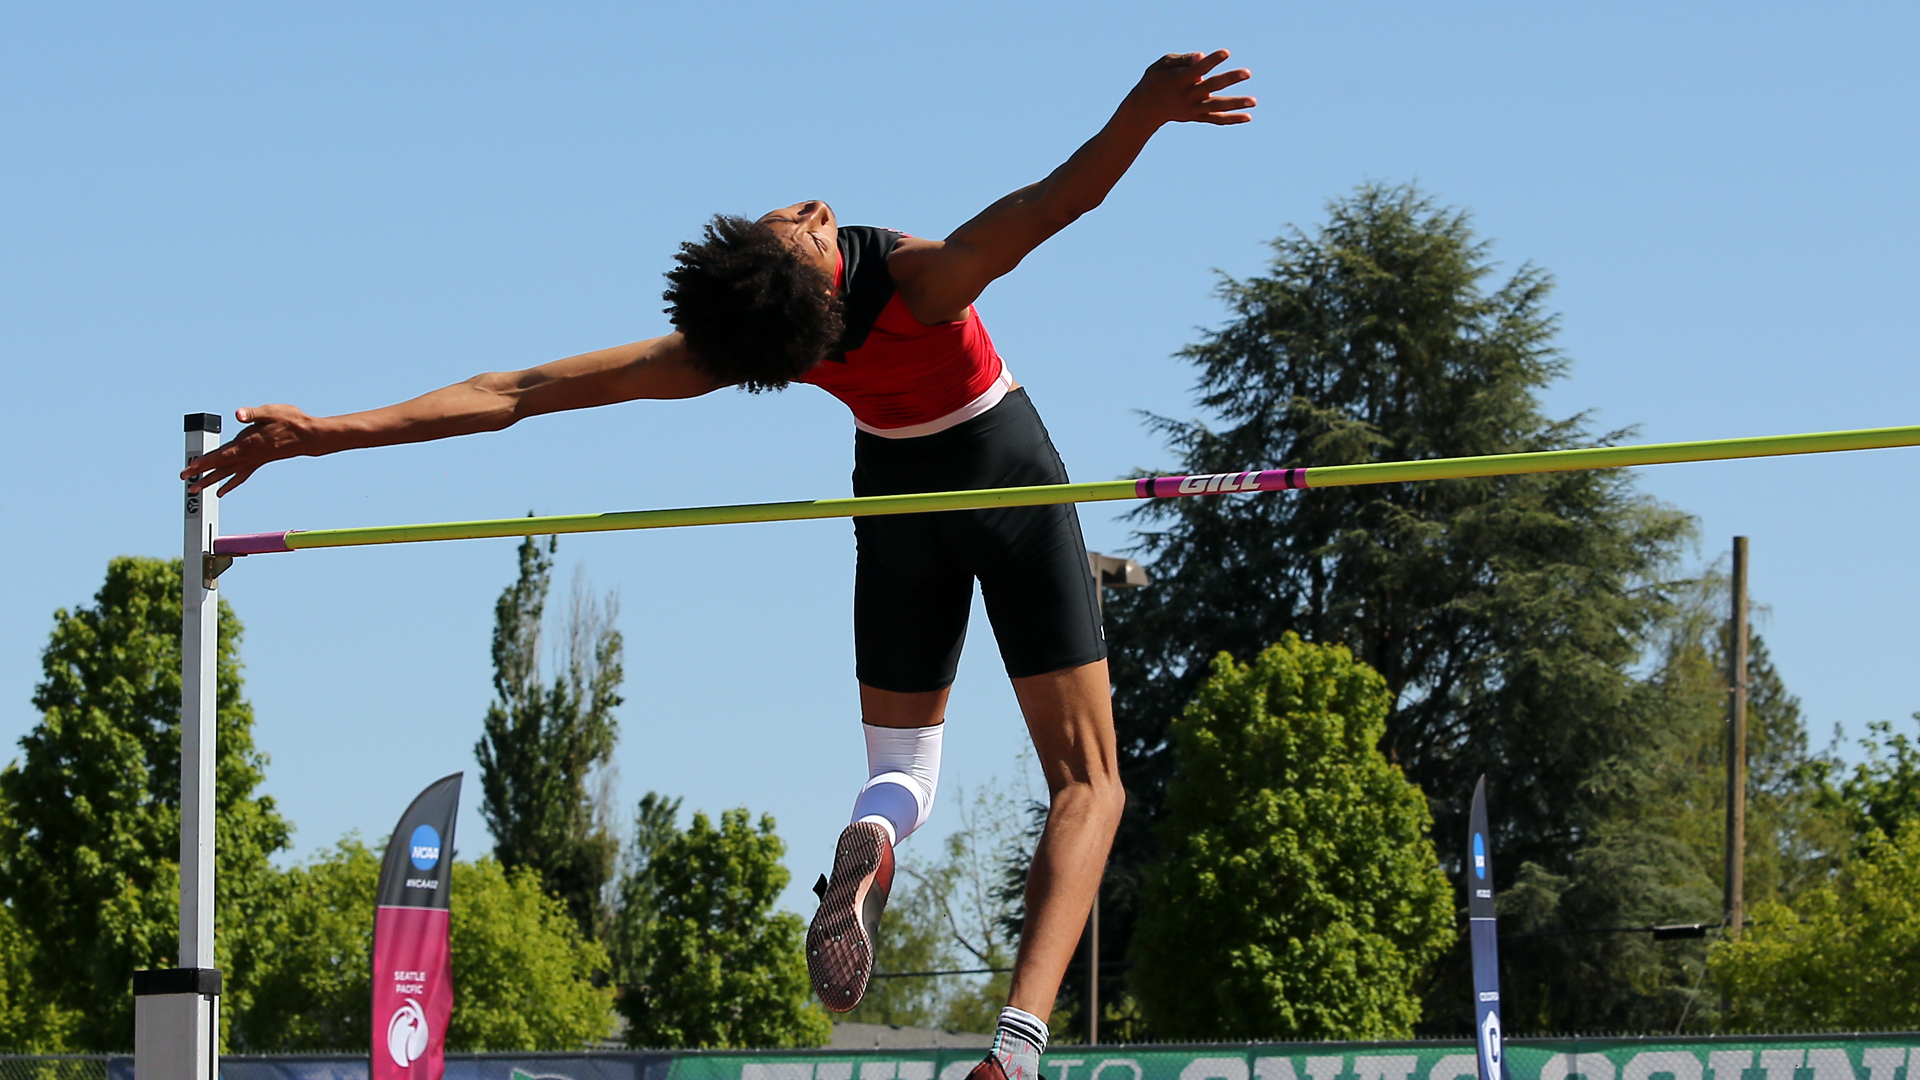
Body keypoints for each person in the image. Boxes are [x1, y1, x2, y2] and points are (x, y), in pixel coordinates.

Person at [183, 50, 1253, 1078]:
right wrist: (1143, 114)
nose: (807, 206)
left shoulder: (742, 344)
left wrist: (327, 433)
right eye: (798, 224)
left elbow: (514, 391)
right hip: (1004, 475)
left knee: (900, 776)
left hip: (894, 504)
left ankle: (876, 838)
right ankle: (1017, 1043)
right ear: (824, 269)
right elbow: (1052, 203)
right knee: (1090, 781)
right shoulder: (917, 281)